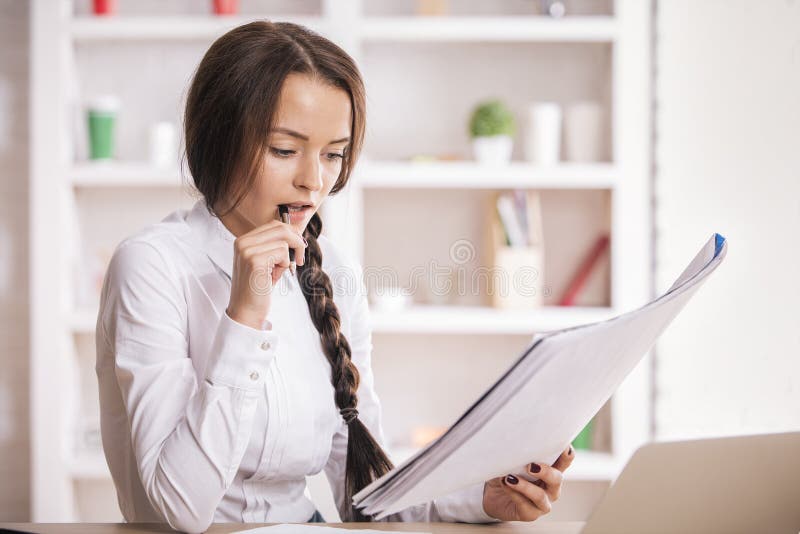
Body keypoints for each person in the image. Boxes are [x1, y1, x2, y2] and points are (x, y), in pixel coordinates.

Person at [95, 20, 574, 534]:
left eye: (333, 154)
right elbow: (179, 508)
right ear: (218, 139)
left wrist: (483, 498)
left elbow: (365, 496)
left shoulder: (335, 274)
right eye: (284, 150)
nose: (314, 179)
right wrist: (245, 316)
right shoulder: (151, 267)